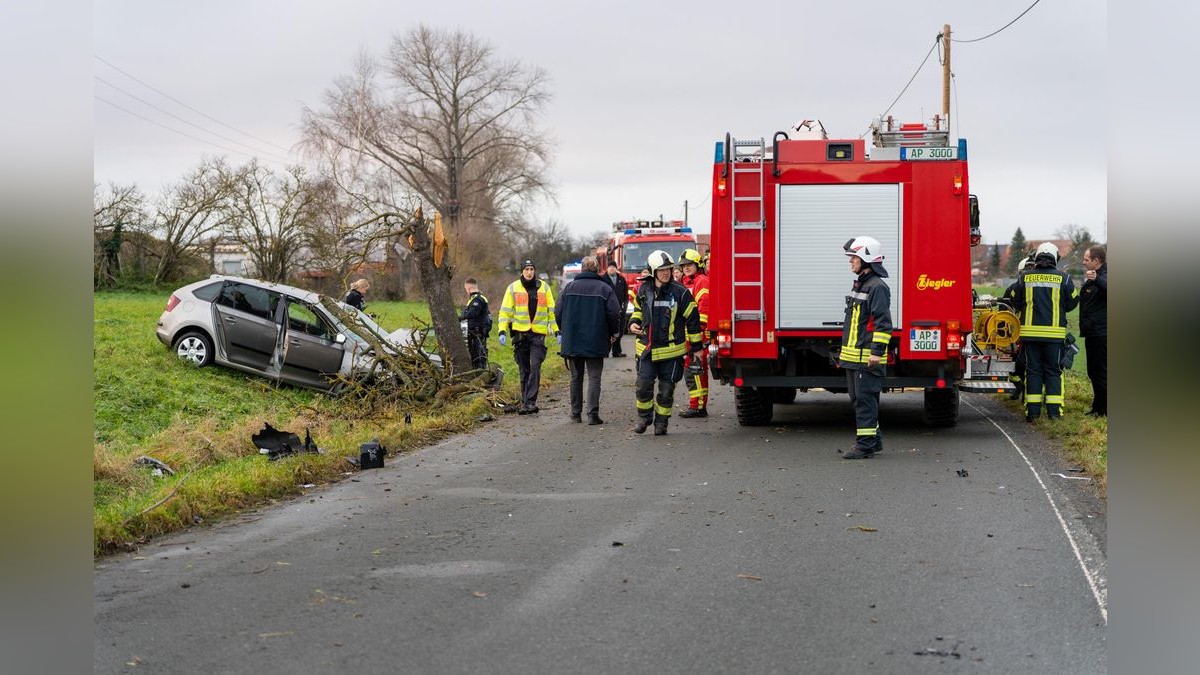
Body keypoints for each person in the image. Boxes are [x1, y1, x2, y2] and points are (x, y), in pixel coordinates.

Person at [628, 250, 703, 436]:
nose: (666, 273)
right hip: (647, 350)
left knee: (666, 390)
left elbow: (693, 321)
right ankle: (644, 417)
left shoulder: (681, 293)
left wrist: (697, 349)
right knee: (643, 386)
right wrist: (633, 322)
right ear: (653, 271)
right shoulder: (644, 289)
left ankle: (662, 423)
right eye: (662, 270)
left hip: (672, 352)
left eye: (669, 269)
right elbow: (638, 310)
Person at [838, 236, 894, 459]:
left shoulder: (877, 287)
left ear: (866, 259)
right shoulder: (861, 284)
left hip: (867, 359)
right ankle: (874, 440)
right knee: (858, 400)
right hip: (854, 357)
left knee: (865, 402)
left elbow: (883, 324)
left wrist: (876, 353)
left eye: (854, 257)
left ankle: (864, 446)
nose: (850, 261)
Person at [1009, 242, 1078, 421]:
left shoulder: (1025, 277)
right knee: (1054, 372)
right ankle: (1054, 413)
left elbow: (1014, 300)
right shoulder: (1065, 278)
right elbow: (1072, 302)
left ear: (1037, 257)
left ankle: (1032, 413)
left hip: (1030, 336)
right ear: (1055, 257)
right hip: (1054, 337)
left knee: (1033, 371)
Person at [555, 256, 621, 424]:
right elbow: (614, 313)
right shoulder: (604, 289)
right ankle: (592, 414)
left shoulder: (568, 288)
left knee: (576, 377)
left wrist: (565, 329)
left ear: (582, 270)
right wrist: (614, 332)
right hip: (597, 339)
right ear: (598, 270)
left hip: (573, 339)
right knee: (594, 377)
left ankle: (575, 414)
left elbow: (558, 311)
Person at [498, 259, 560, 415]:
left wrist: (556, 330)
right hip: (520, 335)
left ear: (535, 271)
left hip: (538, 335)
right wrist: (501, 331)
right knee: (524, 369)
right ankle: (525, 402)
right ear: (521, 271)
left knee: (535, 366)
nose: (529, 272)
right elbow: (505, 312)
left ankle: (530, 401)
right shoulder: (513, 288)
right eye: (526, 269)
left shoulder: (544, 288)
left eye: (532, 269)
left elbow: (551, 312)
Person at [678, 248, 711, 418]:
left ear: (697, 264)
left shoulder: (702, 281)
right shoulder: (684, 284)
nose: (686, 267)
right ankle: (697, 405)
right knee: (692, 372)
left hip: (697, 337)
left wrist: (698, 334)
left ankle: (698, 406)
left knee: (696, 371)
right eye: (683, 265)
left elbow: (703, 310)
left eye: (689, 264)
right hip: (686, 337)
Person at [1002, 255, 1036, 400]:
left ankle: (1028, 392)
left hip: (1031, 332)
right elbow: (1003, 312)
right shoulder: (1012, 289)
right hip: (1015, 334)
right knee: (1014, 364)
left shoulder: (1038, 290)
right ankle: (1017, 388)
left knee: (1027, 364)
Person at [1079, 244, 1107, 417]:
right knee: (1093, 371)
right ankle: (1097, 406)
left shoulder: (1104, 276)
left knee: (1101, 371)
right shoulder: (1093, 278)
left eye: (1086, 260)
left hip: (1102, 333)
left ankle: (1104, 409)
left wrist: (1097, 279)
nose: (1083, 263)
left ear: (1097, 261)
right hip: (1092, 332)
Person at [458, 277, 490, 371]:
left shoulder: (477, 300)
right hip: (476, 333)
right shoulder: (476, 298)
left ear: (468, 287)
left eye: (465, 289)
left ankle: (480, 377)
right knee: (477, 356)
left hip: (476, 334)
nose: (466, 291)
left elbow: (472, 313)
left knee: (477, 358)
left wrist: (460, 318)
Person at [605, 260, 630, 357]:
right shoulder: (603, 279)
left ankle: (617, 351)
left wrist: (625, 306)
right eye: (610, 267)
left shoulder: (621, 279)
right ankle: (606, 351)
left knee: (620, 330)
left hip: (620, 309)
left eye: (613, 267)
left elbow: (626, 294)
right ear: (607, 268)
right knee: (608, 330)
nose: (612, 268)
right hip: (608, 310)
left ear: (616, 268)